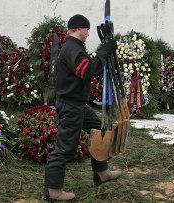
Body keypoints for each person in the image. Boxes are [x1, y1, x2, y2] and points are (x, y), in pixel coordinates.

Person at [43, 14, 121, 201]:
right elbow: (87, 71)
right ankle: (53, 190)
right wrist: (103, 51)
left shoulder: (75, 47)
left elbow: (85, 68)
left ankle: (102, 172)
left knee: (97, 130)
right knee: (65, 147)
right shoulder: (72, 48)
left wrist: (102, 53)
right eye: (86, 30)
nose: (88, 34)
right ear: (79, 28)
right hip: (70, 105)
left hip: (77, 103)